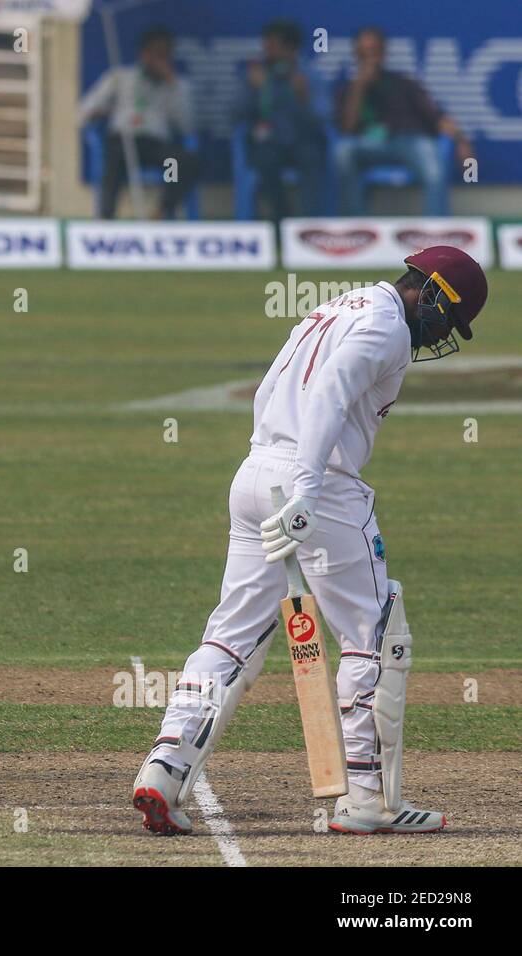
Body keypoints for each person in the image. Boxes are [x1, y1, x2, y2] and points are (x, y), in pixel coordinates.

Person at [131, 246, 487, 836]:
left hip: (254, 476)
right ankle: (367, 799)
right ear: (429, 294)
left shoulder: (332, 309)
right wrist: (306, 487)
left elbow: (268, 392)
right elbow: (330, 393)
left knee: (230, 638)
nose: (441, 335)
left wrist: (272, 471)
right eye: (447, 320)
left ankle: (165, 768)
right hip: (320, 490)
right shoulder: (390, 329)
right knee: (373, 637)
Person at [333, 26, 472, 215]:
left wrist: (461, 140)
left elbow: (437, 116)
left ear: (384, 53)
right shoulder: (347, 90)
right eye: (364, 52)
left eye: (375, 51)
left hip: (408, 140)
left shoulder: (404, 84)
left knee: (433, 163)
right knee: (342, 152)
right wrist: (359, 88)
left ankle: (437, 231)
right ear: (356, 54)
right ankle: (354, 229)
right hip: (367, 145)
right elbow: (346, 130)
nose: (370, 58)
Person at [78, 25, 198, 219]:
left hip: (156, 147)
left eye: (164, 54)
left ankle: (162, 211)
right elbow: (84, 109)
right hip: (123, 140)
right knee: (113, 158)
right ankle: (105, 218)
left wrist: (172, 85)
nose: (159, 59)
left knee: (179, 162)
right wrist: (99, 112)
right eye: (155, 53)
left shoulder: (176, 85)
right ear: (144, 54)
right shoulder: (120, 77)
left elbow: (187, 126)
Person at [235, 19, 328, 222]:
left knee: (313, 159)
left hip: (303, 142)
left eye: (274, 47)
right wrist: (255, 91)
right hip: (268, 143)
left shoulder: (309, 77)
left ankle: (308, 226)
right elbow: (235, 115)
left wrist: (304, 99)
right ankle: (280, 223)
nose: (268, 52)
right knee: (266, 161)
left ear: (291, 49)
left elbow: (323, 119)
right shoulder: (255, 76)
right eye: (266, 46)